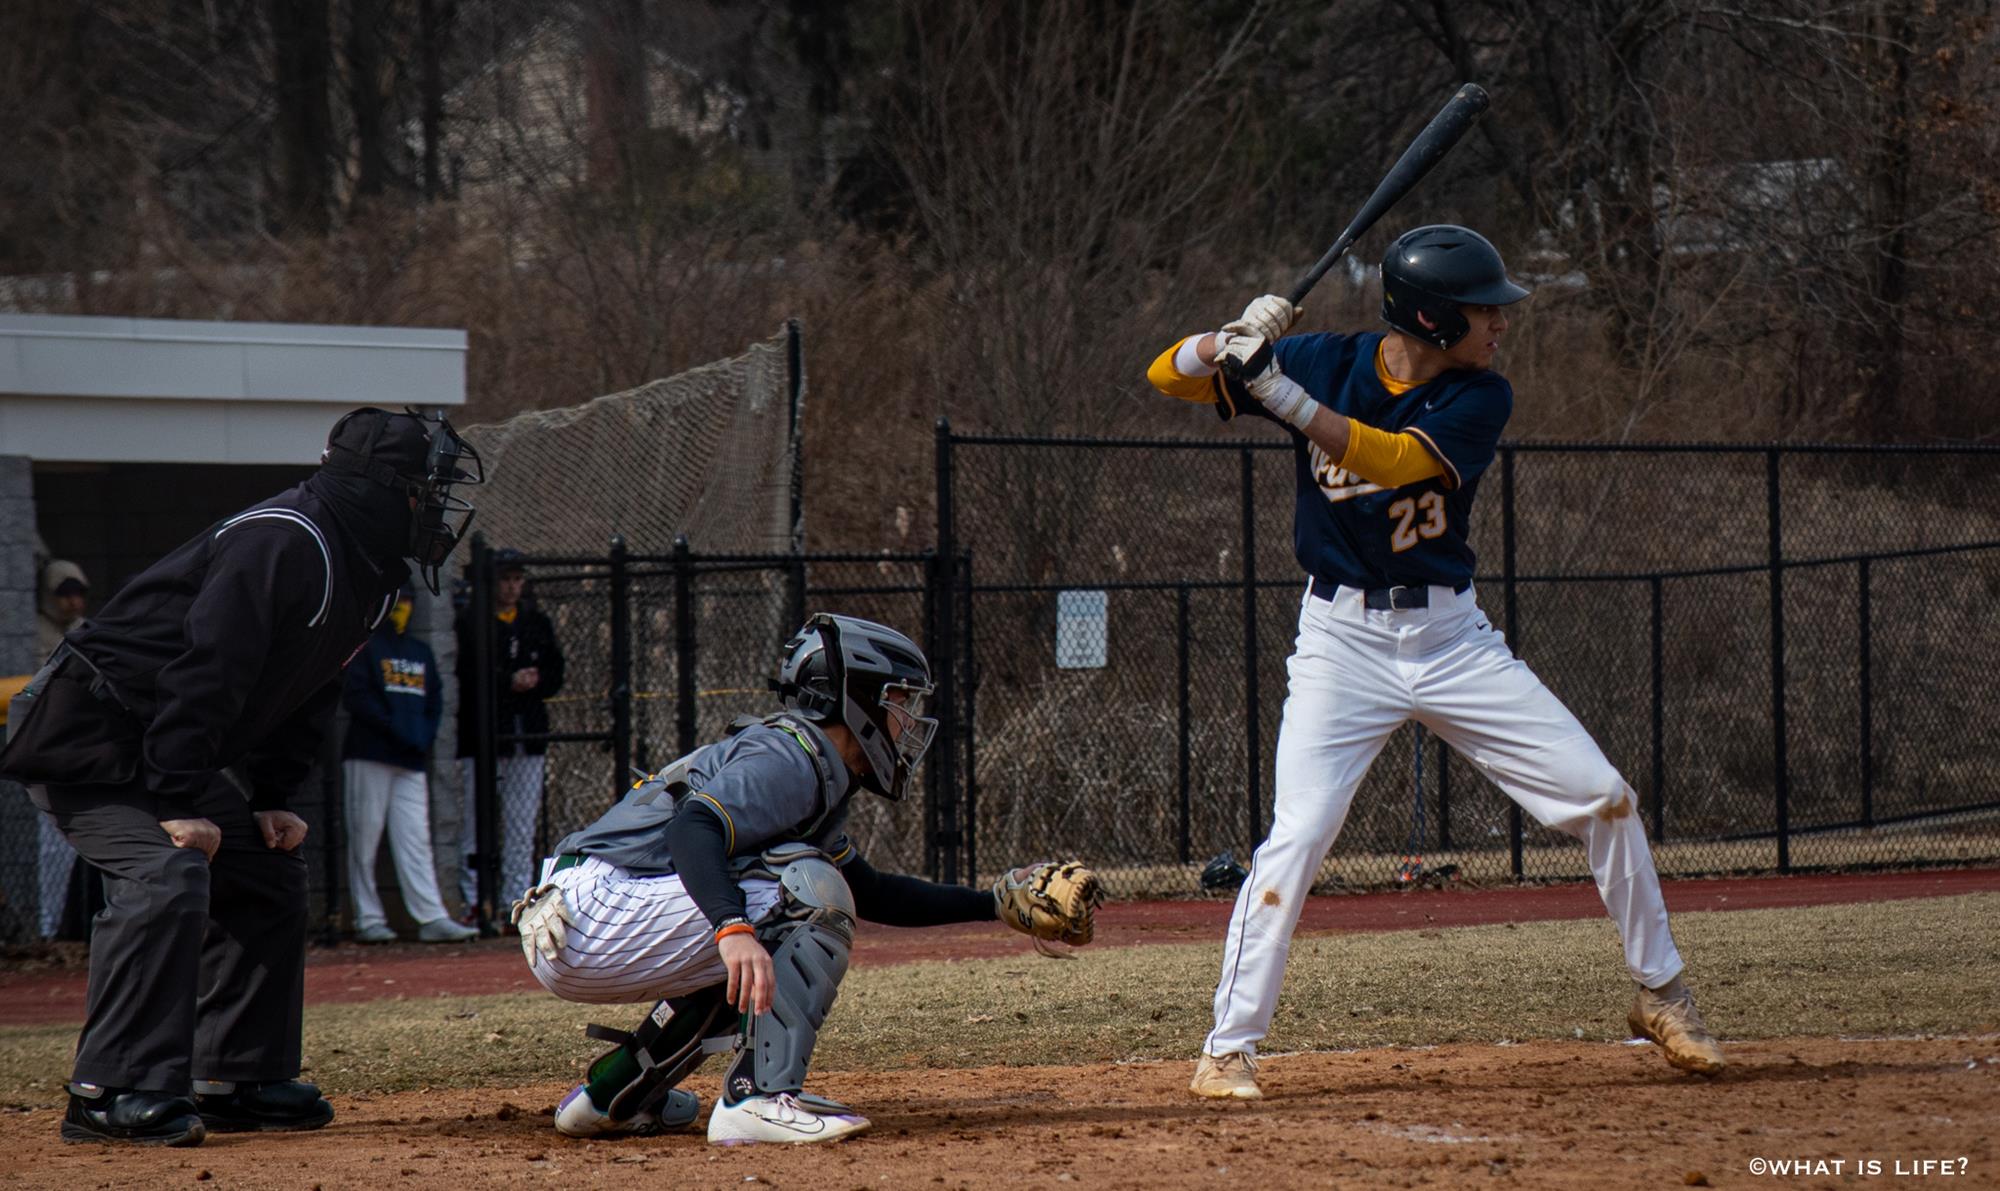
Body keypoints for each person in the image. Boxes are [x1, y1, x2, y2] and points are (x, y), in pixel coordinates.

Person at [1146, 225, 1726, 1101]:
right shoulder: (1320, 359)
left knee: (1606, 799)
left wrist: (1275, 390)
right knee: (1297, 836)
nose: (1500, 324)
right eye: (1483, 311)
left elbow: (1389, 460)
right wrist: (1222, 340)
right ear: (1429, 316)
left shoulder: (1479, 395)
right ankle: (1227, 1050)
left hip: (1453, 642)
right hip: (1341, 644)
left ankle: (1662, 992)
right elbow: (1165, 377)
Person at [0, 406, 482, 1145]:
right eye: (421, 487)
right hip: (89, 730)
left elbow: (306, 685)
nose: (431, 505)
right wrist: (177, 799)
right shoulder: (284, 540)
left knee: (266, 868)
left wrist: (269, 797)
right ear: (377, 486)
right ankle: (109, 1089)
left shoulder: (366, 569)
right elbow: (206, 673)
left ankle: (233, 1074)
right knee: (167, 872)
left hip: (158, 739)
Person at [507, 613, 1101, 1145]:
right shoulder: (794, 755)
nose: (907, 721)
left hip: (587, 916)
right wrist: (731, 927)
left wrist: (993, 904)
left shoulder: (810, 764)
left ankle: (613, 1095)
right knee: (801, 894)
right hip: (597, 911)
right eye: (898, 701)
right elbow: (694, 829)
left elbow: (868, 891)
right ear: (857, 698)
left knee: (787, 909)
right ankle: (756, 1098)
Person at [341, 586, 478, 944]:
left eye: (408, 602)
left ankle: (431, 916)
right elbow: (358, 698)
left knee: (416, 840)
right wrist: (396, 730)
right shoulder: (365, 646)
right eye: (397, 601)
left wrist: (422, 737)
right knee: (364, 839)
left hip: (412, 759)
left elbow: (435, 703)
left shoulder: (420, 651)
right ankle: (367, 919)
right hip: (370, 755)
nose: (402, 608)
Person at [455, 547, 564, 919]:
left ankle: (514, 899)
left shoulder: (535, 621)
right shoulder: (473, 622)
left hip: (527, 733)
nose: (513, 586)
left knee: (521, 824)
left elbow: (555, 672)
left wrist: (535, 680)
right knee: (476, 818)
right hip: (484, 736)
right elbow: (469, 674)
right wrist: (507, 680)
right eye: (506, 579)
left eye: (518, 579)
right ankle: (474, 898)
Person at [37, 559, 89, 658]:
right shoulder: (33, 632)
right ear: (49, 595)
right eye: (65, 594)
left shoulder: (85, 629)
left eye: (78, 593)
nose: (74, 602)